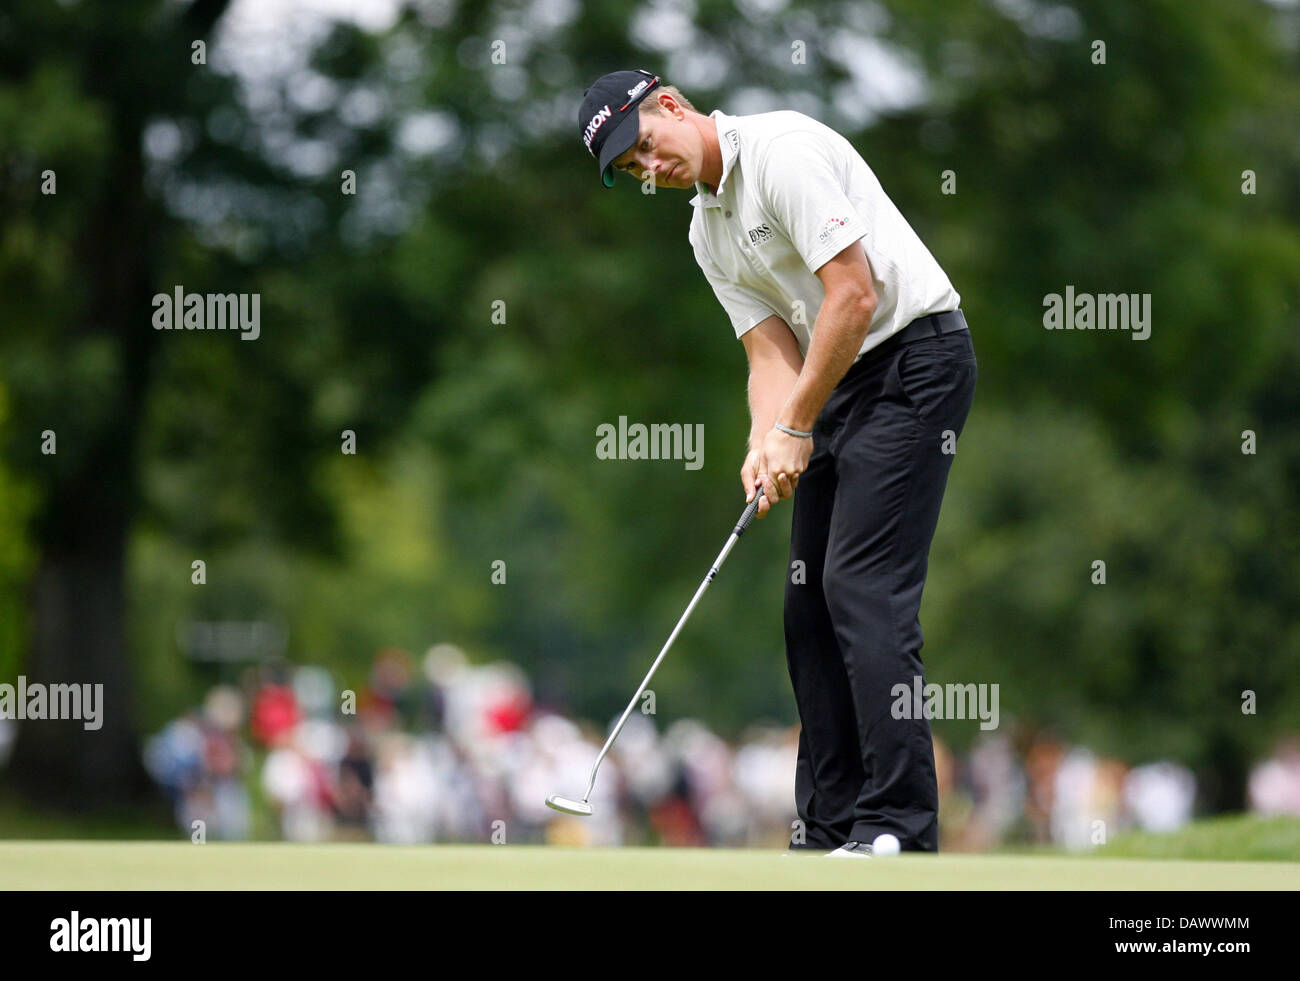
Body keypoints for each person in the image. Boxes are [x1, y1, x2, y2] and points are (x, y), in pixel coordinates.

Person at [577, 71, 977, 855]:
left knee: (860, 586)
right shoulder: (705, 231)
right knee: (807, 607)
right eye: (631, 171)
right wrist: (766, 440)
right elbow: (769, 354)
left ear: (671, 106)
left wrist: (796, 422)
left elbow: (853, 295)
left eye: (645, 149)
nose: (649, 170)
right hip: (835, 381)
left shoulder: (781, 152)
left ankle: (899, 824)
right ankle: (827, 829)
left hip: (914, 362)